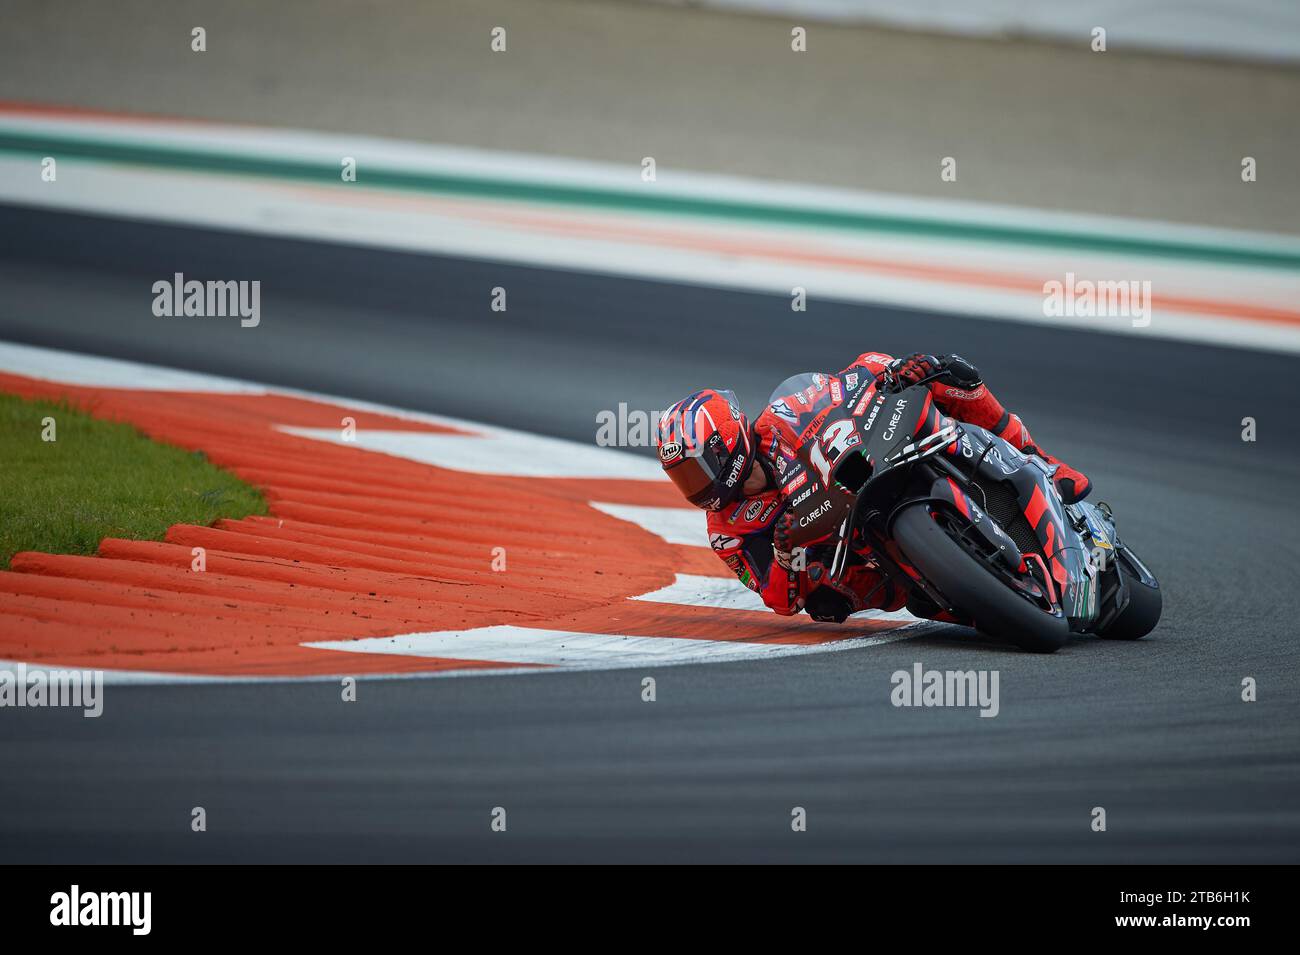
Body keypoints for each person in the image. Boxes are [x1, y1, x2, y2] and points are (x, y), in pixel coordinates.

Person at [656, 352, 1090, 622]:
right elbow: (778, 600)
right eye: (682, 478)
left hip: (872, 460)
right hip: (855, 550)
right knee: (835, 602)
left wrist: (896, 371)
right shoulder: (726, 530)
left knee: (946, 373)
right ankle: (978, 594)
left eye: (696, 468)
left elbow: (848, 379)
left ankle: (1039, 457)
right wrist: (788, 555)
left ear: (725, 442)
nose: (695, 486)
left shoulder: (782, 415)